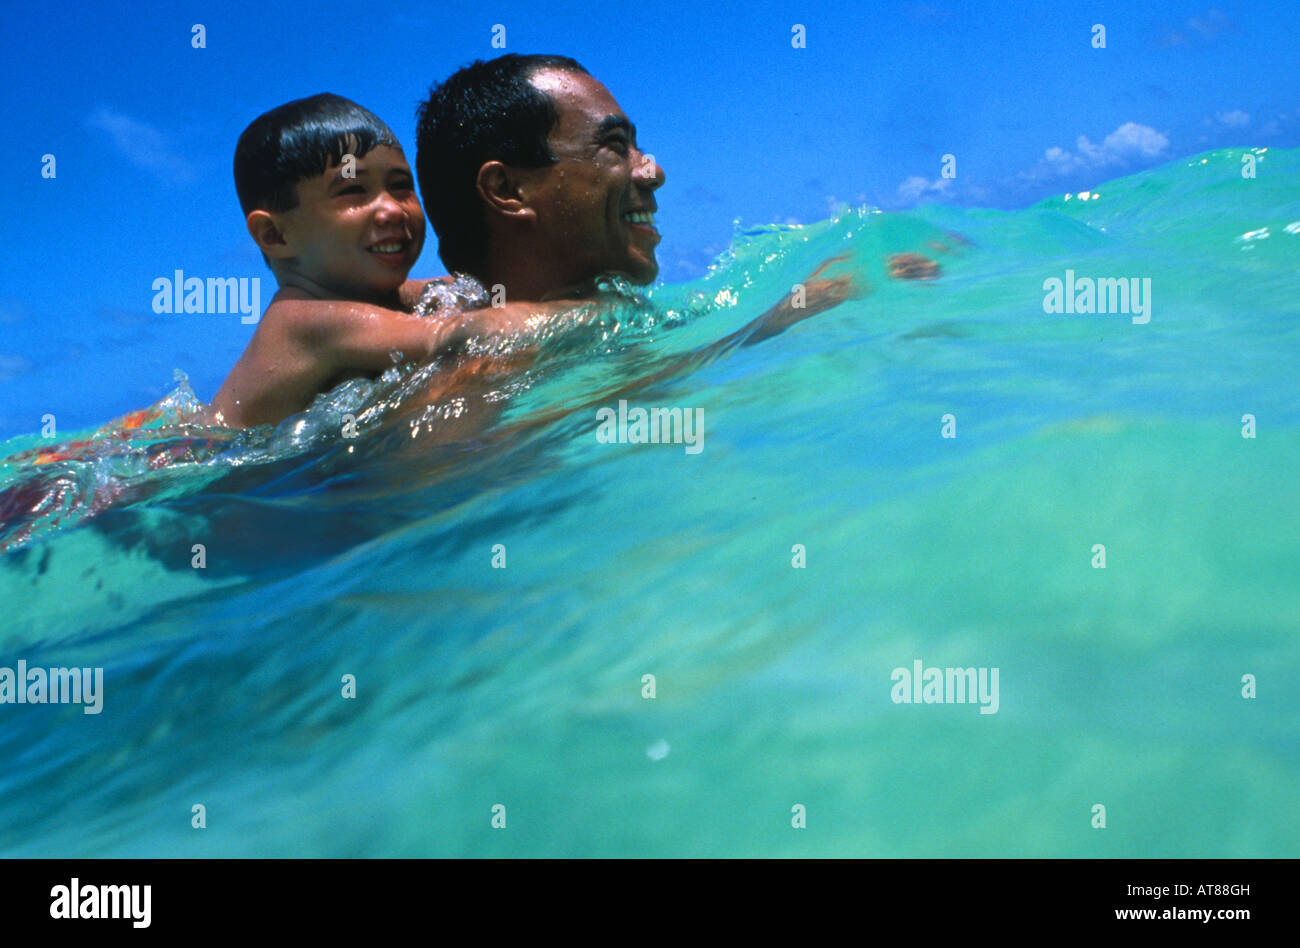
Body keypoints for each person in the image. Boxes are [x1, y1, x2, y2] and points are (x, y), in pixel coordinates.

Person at [208, 93, 568, 429]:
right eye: (352, 191)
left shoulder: (402, 299)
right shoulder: (299, 321)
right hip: (207, 465)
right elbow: (454, 335)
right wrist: (593, 309)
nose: (392, 210)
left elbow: (477, 295)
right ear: (276, 235)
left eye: (400, 185)